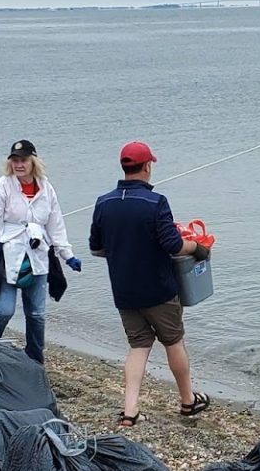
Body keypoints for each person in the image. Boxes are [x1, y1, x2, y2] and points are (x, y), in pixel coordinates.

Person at [88, 141, 211, 428]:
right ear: (147, 167)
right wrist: (196, 248)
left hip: (124, 290)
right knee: (174, 341)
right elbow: (173, 245)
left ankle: (130, 411)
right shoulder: (156, 202)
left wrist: (123, 248)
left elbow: (96, 248)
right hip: (159, 288)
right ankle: (187, 401)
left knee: (138, 346)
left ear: (124, 167)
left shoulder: (103, 203)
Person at [0, 139, 80, 365]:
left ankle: (35, 359)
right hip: (9, 257)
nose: (19, 165)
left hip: (38, 257)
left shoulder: (46, 188)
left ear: (33, 162)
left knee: (37, 314)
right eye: (15, 160)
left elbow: (55, 224)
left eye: (24, 160)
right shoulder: (1, 187)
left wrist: (67, 255)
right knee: (3, 310)